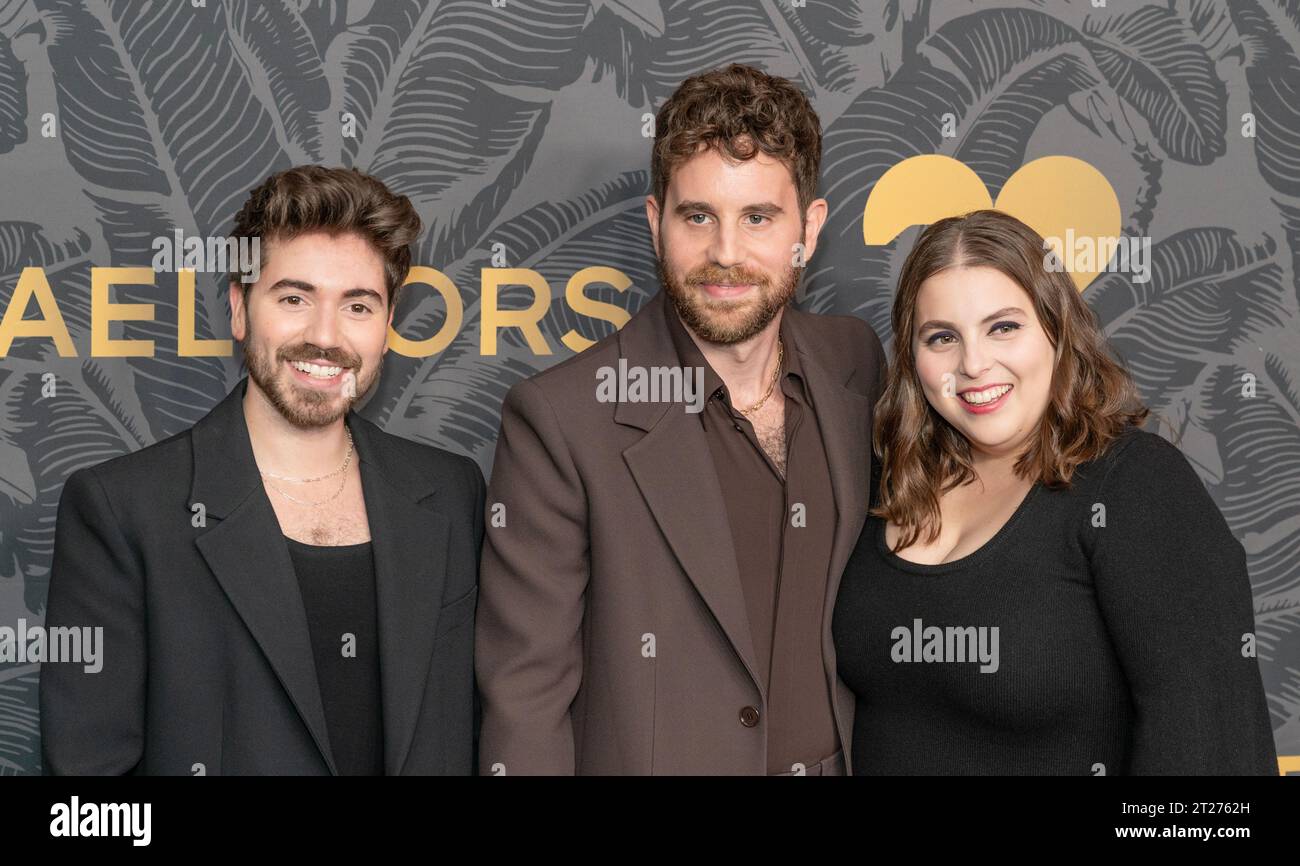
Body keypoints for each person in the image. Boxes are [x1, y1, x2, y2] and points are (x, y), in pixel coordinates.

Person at [476, 63, 887, 774]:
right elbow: (526, 704)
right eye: (698, 216)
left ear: (809, 230)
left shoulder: (854, 364)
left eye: (758, 218)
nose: (725, 255)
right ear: (655, 222)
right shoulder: (562, 419)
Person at [41, 166, 485, 775]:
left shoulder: (452, 495)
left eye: (357, 305)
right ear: (240, 309)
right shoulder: (124, 511)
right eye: (294, 298)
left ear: (387, 329)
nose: (325, 337)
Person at [833, 208, 1278, 775]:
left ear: (1056, 328)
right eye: (942, 337)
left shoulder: (1136, 488)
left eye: (1003, 327)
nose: (973, 364)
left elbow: (1213, 760)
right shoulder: (883, 484)